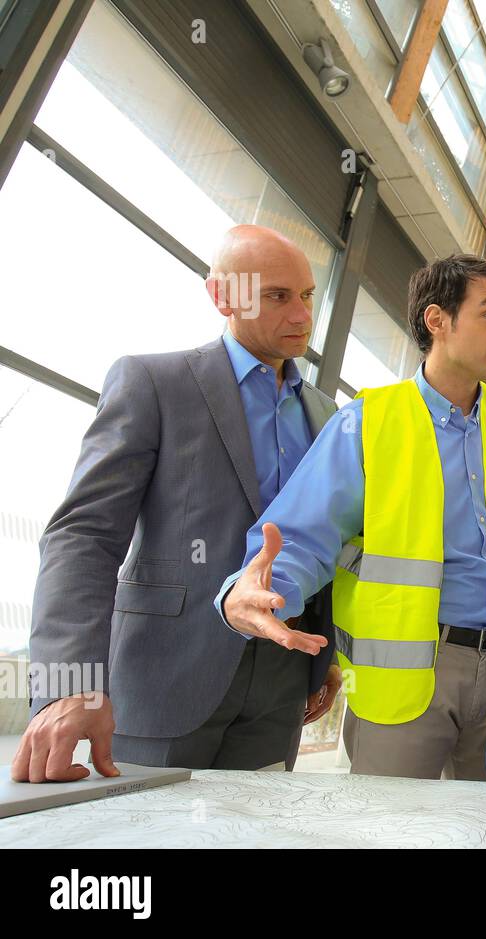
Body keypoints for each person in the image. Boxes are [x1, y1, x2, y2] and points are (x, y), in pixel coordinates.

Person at [219, 254, 486, 780]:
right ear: (437, 320)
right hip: (402, 679)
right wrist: (258, 589)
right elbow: (302, 537)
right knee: (389, 832)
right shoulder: (367, 420)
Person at [13, 225, 341, 783]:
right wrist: (68, 685)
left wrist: (328, 654)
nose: (301, 316)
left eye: (307, 296)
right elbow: (84, 535)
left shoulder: (328, 415)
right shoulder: (153, 382)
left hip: (280, 686)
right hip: (164, 676)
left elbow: (326, 539)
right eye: (278, 296)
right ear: (222, 298)